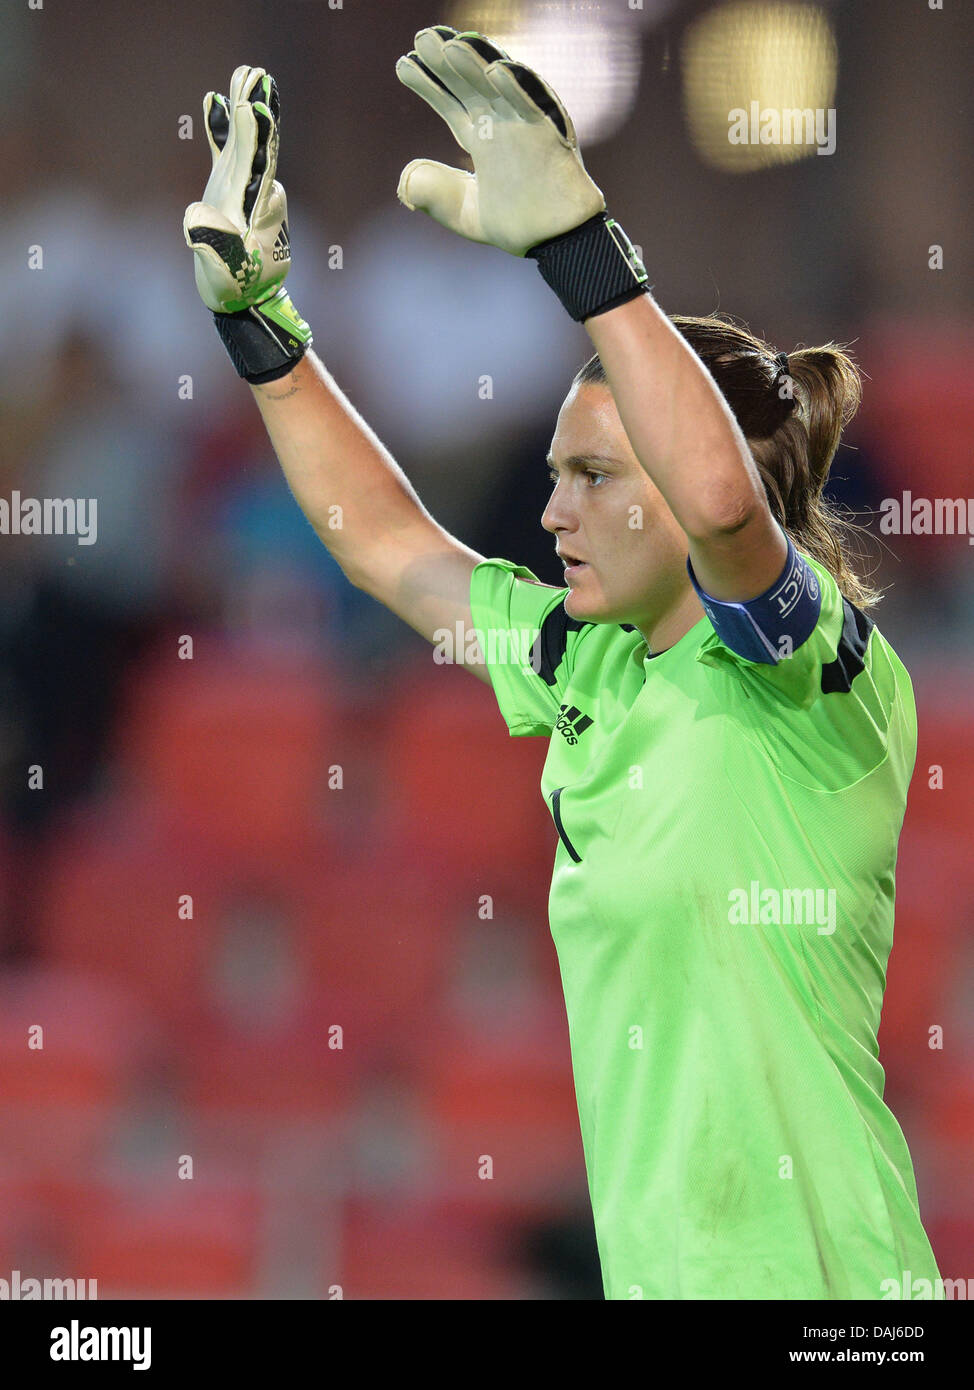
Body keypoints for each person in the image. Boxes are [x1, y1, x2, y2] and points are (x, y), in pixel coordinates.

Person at [183, 28, 944, 1301]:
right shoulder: (582, 668)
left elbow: (716, 508)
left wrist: (580, 252)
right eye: (551, 477)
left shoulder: (819, 678)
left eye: (592, 476)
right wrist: (263, 324)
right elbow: (386, 546)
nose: (551, 514)